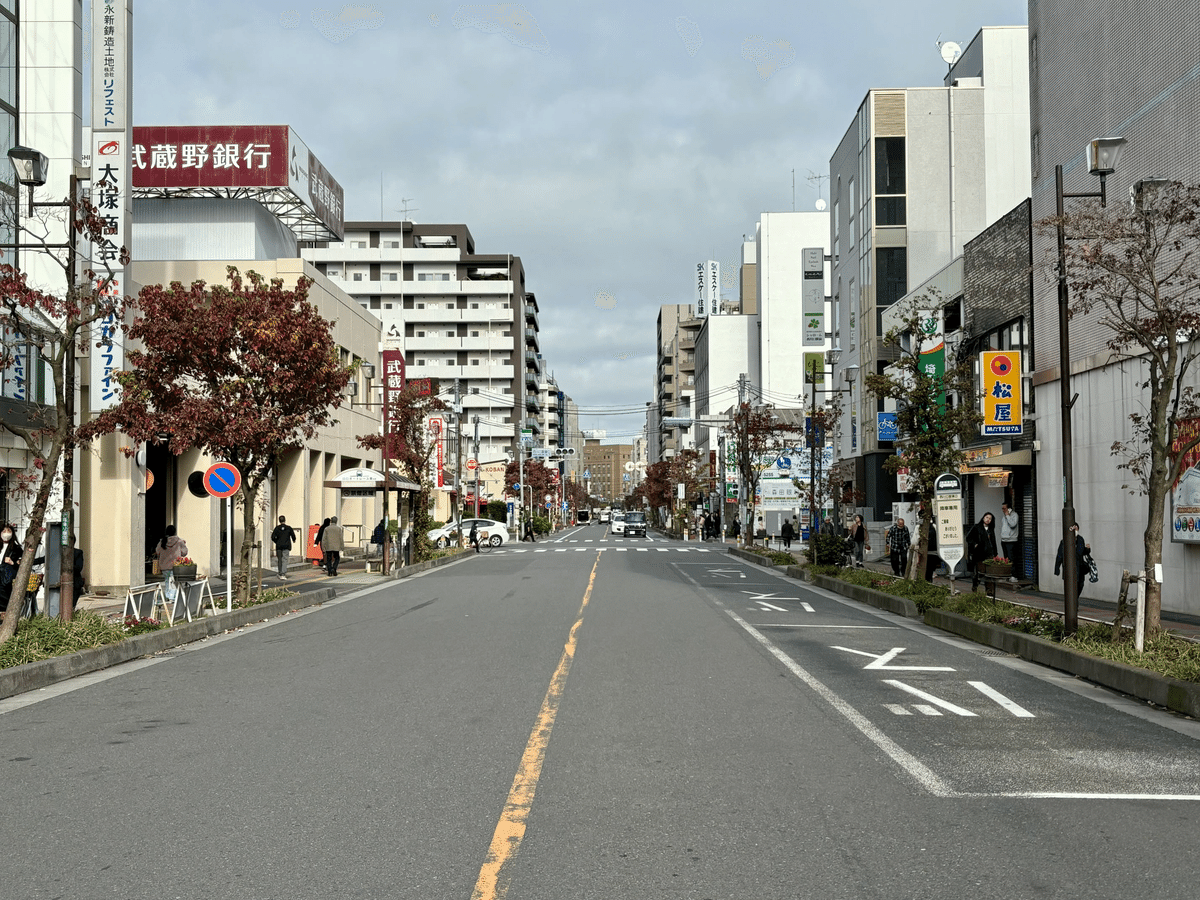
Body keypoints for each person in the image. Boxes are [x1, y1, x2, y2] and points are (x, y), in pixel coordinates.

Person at [1054, 522, 1090, 598]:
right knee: (1070, 587)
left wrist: (1087, 550)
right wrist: (1057, 568)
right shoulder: (1064, 541)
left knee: (1080, 585)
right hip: (1069, 569)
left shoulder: (1080, 539)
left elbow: (1080, 552)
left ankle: (1075, 601)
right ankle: (1073, 603)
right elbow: (1060, 555)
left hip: (1079, 569)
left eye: (1076, 529)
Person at [967, 511, 999, 591]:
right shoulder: (976, 527)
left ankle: (989, 591)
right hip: (979, 554)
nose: (988, 519)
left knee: (990, 573)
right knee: (980, 572)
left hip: (989, 553)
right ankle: (975, 586)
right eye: (987, 517)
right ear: (983, 517)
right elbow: (968, 538)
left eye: (990, 519)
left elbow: (993, 542)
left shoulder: (991, 530)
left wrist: (995, 554)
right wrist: (975, 544)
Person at [155, 525, 188, 602]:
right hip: (176, 566)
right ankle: (172, 597)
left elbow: (157, 551)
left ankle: (168, 595)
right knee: (174, 582)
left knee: (167, 581)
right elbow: (184, 552)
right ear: (174, 532)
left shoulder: (162, 541)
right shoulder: (179, 541)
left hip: (164, 566)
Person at [0, 525, 23, 616]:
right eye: (4, 531)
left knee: (4, 595)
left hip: (7, 576)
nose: (6, 533)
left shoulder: (16, 548)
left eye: (8, 531)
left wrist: (12, 563)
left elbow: (20, 563)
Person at [271, 515, 297, 580]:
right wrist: (294, 540)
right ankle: (283, 573)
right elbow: (293, 536)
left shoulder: (277, 528)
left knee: (280, 560)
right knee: (285, 560)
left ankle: (280, 572)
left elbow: (273, 537)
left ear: (279, 520)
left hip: (279, 546)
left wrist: (277, 541)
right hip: (286, 546)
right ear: (285, 520)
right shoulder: (289, 528)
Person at [1000, 501, 1020, 582]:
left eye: (1004, 508)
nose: (1003, 510)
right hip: (1004, 540)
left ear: (1009, 509)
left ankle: (1014, 575)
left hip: (1011, 540)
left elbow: (1013, 524)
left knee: (1011, 558)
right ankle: (1008, 575)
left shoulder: (1014, 515)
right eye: (1002, 508)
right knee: (1006, 559)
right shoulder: (1004, 516)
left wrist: (1008, 515)